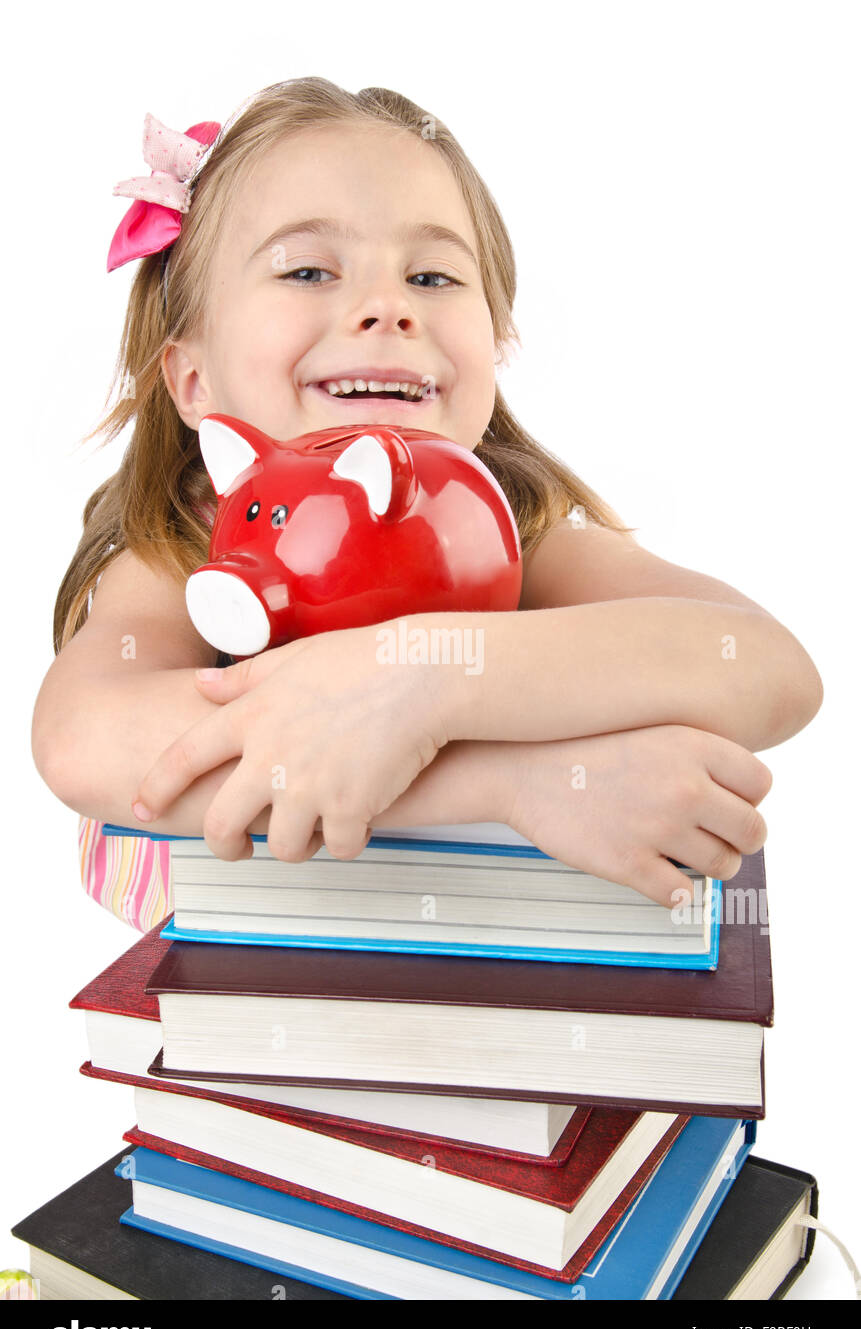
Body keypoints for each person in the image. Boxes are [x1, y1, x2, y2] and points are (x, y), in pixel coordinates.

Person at [31, 77, 822, 936]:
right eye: (306, 269)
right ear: (192, 379)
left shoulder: (506, 539)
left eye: (433, 275)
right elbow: (85, 739)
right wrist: (506, 780)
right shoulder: (181, 550)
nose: (389, 307)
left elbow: (767, 666)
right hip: (245, 1029)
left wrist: (427, 676)